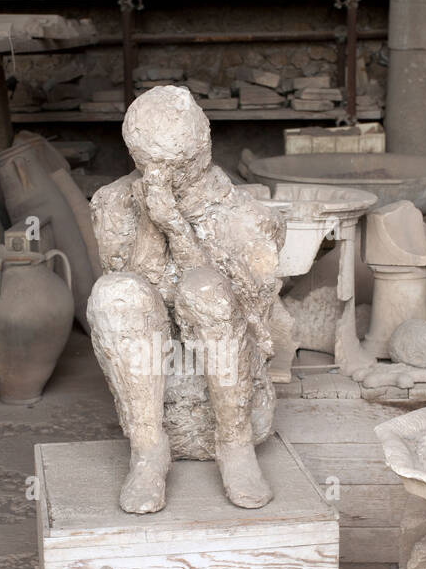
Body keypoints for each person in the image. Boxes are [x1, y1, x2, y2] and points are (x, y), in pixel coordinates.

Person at [87, 86, 284, 514]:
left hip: (226, 352)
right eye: (148, 165)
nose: (159, 176)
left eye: (170, 166)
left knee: (205, 289)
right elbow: (132, 285)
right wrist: (150, 226)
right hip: (157, 356)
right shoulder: (113, 202)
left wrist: (175, 226)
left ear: (199, 155)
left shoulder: (245, 214)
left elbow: (253, 311)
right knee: (115, 293)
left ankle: (234, 445)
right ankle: (148, 450)